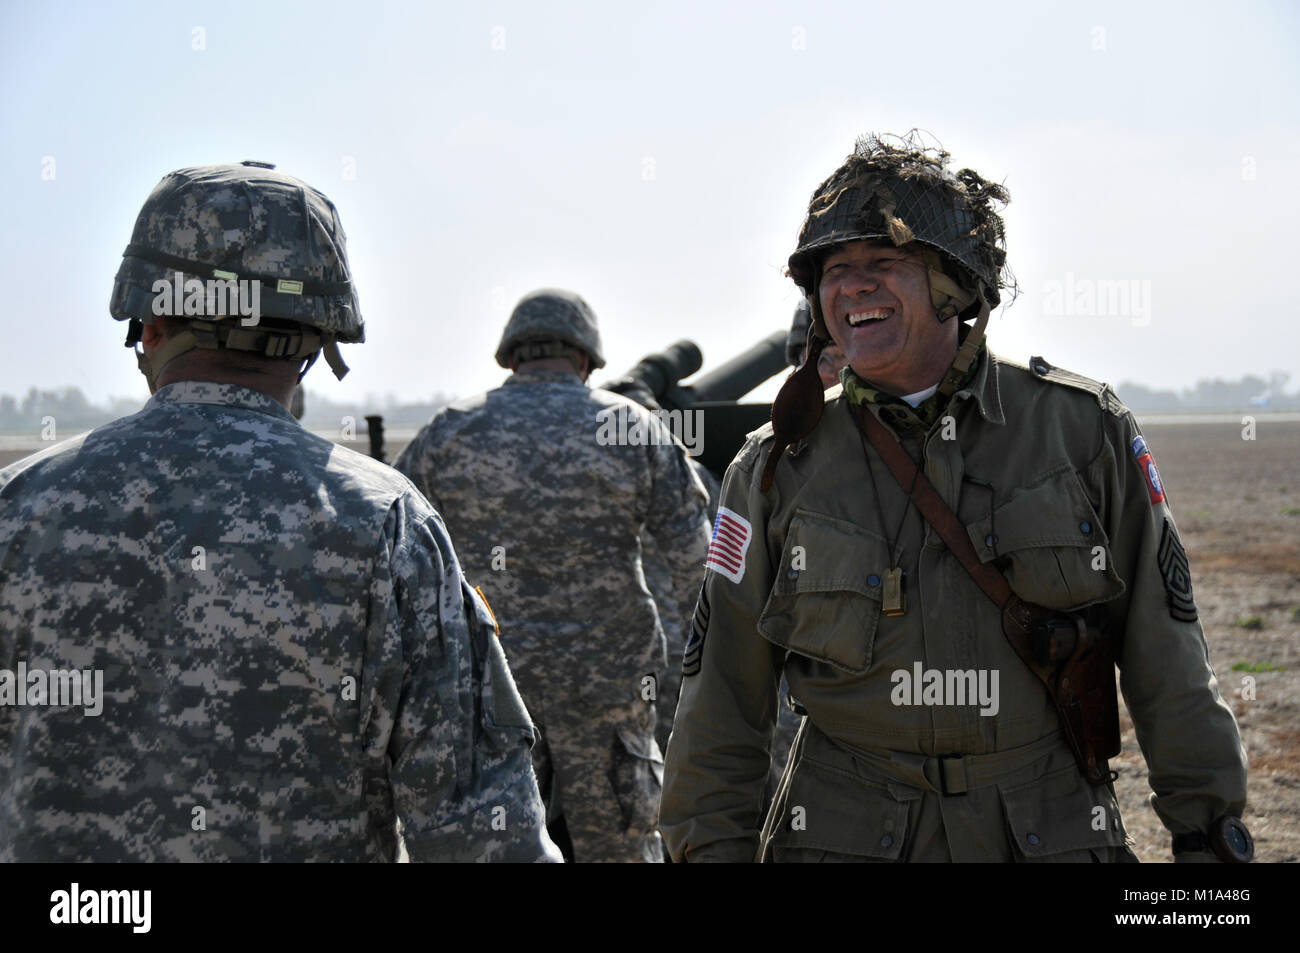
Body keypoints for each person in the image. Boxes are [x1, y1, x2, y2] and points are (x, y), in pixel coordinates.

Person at [659, 133, 1251, 863]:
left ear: (955, 285)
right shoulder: (776, 465)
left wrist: (1208, 831)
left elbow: (1170, 658)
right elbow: (719, 699)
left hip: (1050, 834)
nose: (854, 288)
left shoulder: (1081, 430)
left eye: (884, 263)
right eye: (836, 271)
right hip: (842, 839)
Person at [0, 162, 559, 863]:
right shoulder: (388, 525)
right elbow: (485, 838)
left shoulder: (19, 509)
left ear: (150, 322)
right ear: (316, 337)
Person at [394, 289, 711, 862]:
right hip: (610, 688)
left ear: (511, 355)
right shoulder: (632, 429)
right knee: (620, 843)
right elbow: (698, 570)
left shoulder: (449, 432)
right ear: (586, 356)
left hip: (491, 690)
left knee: (497, 845)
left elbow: (397, 556)